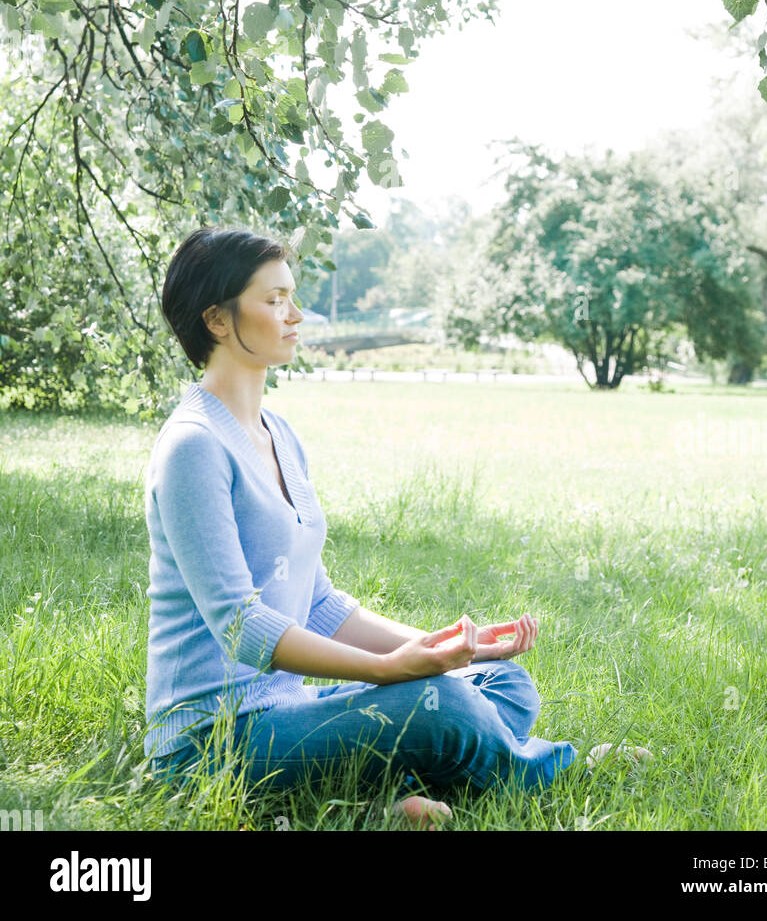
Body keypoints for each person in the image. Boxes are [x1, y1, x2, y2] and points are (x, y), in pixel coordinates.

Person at [144, 225, 648, 827]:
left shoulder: (279, 436)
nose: (295, 314)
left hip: (289, 709)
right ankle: (561, 769)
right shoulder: (193, 448)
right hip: (212, 743)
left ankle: (378, 799)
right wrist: (390, 671)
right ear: (218, 321)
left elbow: (320, 604)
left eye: (292, 296)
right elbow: (240, 628)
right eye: (274, 300)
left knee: (498, 680)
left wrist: (447, 650)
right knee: (439, 707)